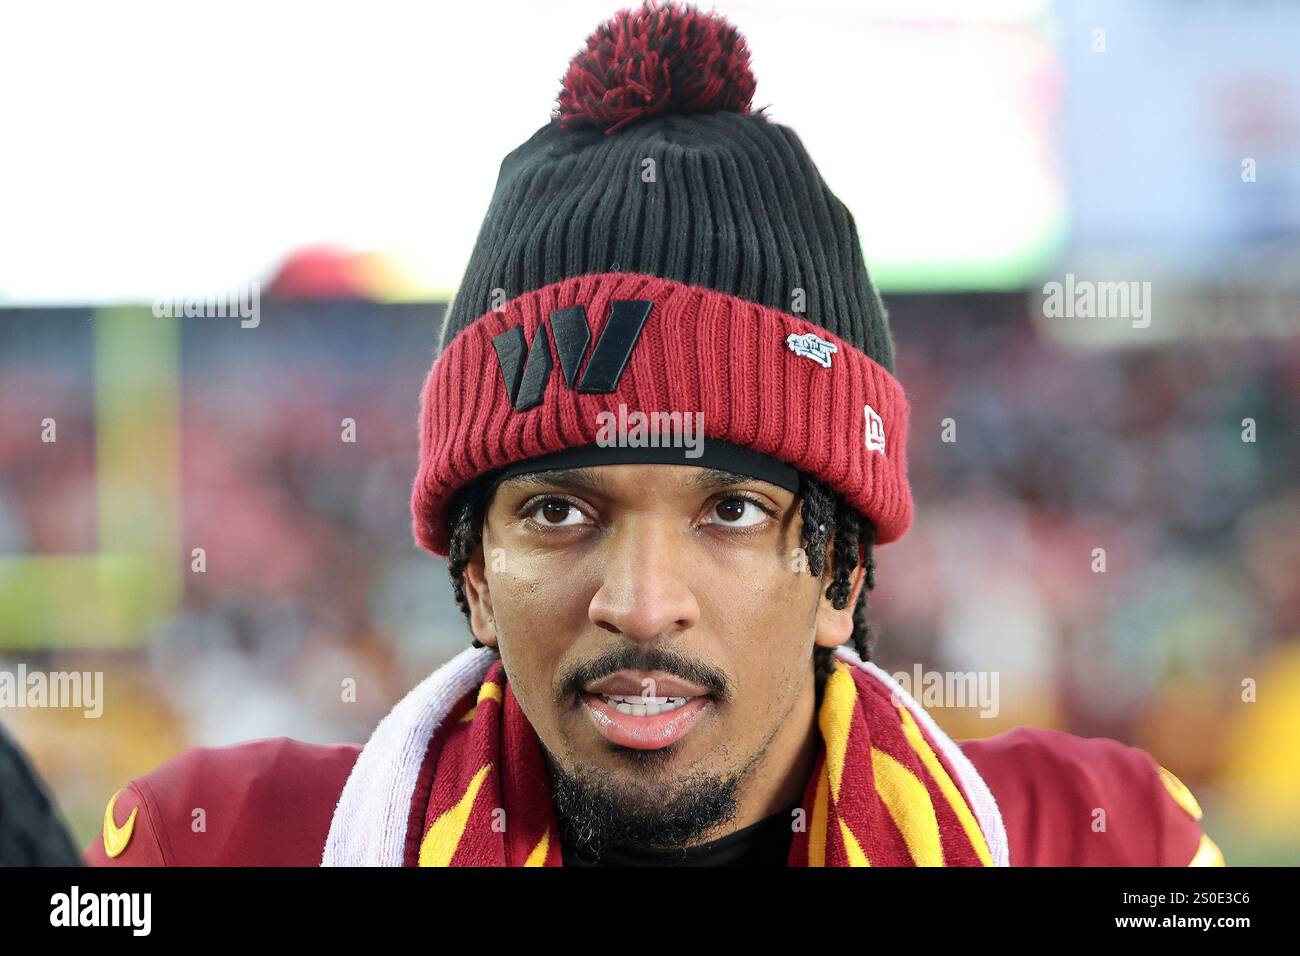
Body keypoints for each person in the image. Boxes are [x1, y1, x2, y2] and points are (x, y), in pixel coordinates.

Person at [86, 0, 1223, 867]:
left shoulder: (1103, 841)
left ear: (841, 575)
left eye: (730, 509)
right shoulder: (217, 841)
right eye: (558, 510)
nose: (638, 600)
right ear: (473, 572)